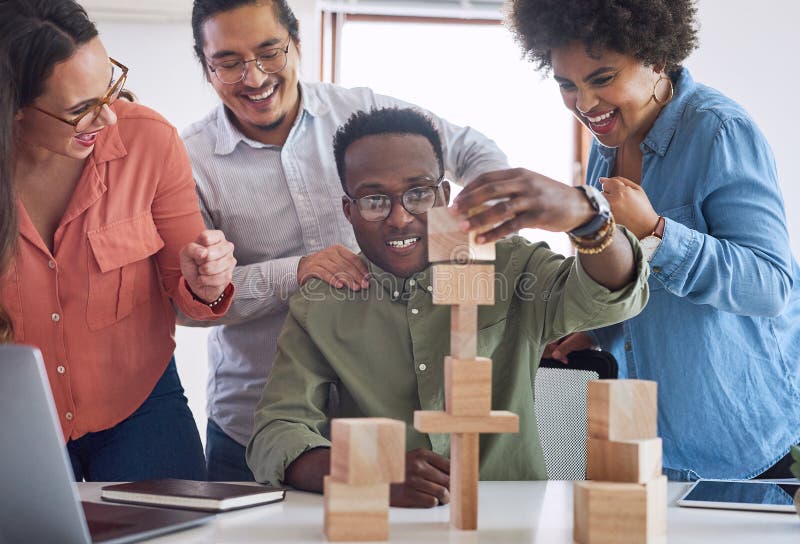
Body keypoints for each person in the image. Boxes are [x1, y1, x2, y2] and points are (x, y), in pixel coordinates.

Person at [246, 107, 649, 507]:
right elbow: (276, 432)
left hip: (511, 518)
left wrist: (587, 218)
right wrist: (370, 470)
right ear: (348, 211)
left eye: (418, 194)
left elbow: (612, 295)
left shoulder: (508, 265)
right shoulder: (323, 301)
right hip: (388, 522)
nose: (399, 218)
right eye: (373, 200)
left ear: (444, 196)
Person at [181, 0, 511, 481]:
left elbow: (475, 150)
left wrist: (457, 234)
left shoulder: (360, 113)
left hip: (384, 421)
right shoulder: (189, 161)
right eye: (229, 63)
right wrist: (295, 272)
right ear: (206, 67)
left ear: (297, 42)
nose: (254, 78)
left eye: (269, 53)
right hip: (256, 428)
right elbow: (188, 305)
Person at [504, 0, 800, 480]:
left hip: (743, 446)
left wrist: (656, 231)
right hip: (650, 448)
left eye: (602, 78)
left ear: (656, 57)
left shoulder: (720, 131)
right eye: (567, 84)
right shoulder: (608, 146)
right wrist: (597, 330)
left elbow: (770, 286)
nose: (584, 104)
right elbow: (641, 287)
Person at [0, 0, 237, 481]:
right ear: (16, 111)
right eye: (81, 110)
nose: (108, 118)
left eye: (108, 86)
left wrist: (206, 283)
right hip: (16, 416)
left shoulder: (149, 141)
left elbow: (191, 296)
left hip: (141, 406)